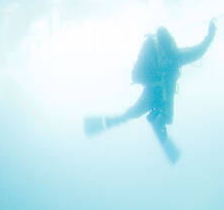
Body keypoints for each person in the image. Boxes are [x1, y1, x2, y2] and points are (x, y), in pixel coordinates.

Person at [84, 20, 216, 163]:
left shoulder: (154, 52)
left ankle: (117, 119)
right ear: (171, 41)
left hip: (151, 90)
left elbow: (138, 73)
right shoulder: (176, 56)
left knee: (135, 111)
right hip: (162, 92)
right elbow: (200, 50)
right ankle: (154, 117)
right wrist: (211, 32)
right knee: (166, 118)